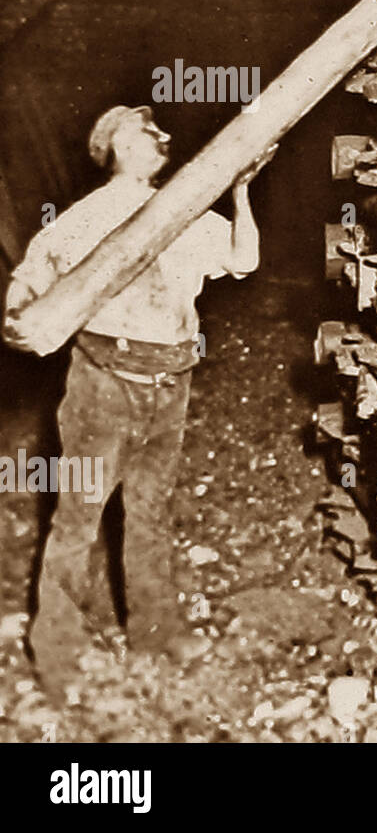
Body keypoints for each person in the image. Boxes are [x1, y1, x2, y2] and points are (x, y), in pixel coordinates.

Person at [3, 105, 271, 697]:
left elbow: (242, 259)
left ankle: (156, 633)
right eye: (146, 131)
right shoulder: (87, 217)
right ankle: (58, 655)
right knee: (78, 517)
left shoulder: (182, 211)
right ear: (115, 143)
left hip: (171, 380)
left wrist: (241, 192)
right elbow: (31, 274)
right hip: (105, 380)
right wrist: (17, 313)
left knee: (149, 515)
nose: (162, 138)